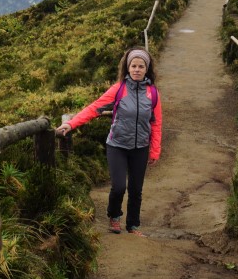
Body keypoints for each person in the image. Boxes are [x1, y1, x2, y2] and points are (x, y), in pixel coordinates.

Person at [55, 48, 163, 235]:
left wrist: (154, 150)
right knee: (119, 186)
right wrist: (71, 124)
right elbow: (94, 108)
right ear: (127, 68)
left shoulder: (152, 94)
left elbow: (156, 124)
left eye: (141, 66)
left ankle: (133, 226)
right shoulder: (118, 89)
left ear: (147, 69)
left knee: (136, 189)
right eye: (133, 66)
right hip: (117, 145)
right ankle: (114, 216)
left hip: (140, 147)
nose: (137, 69)